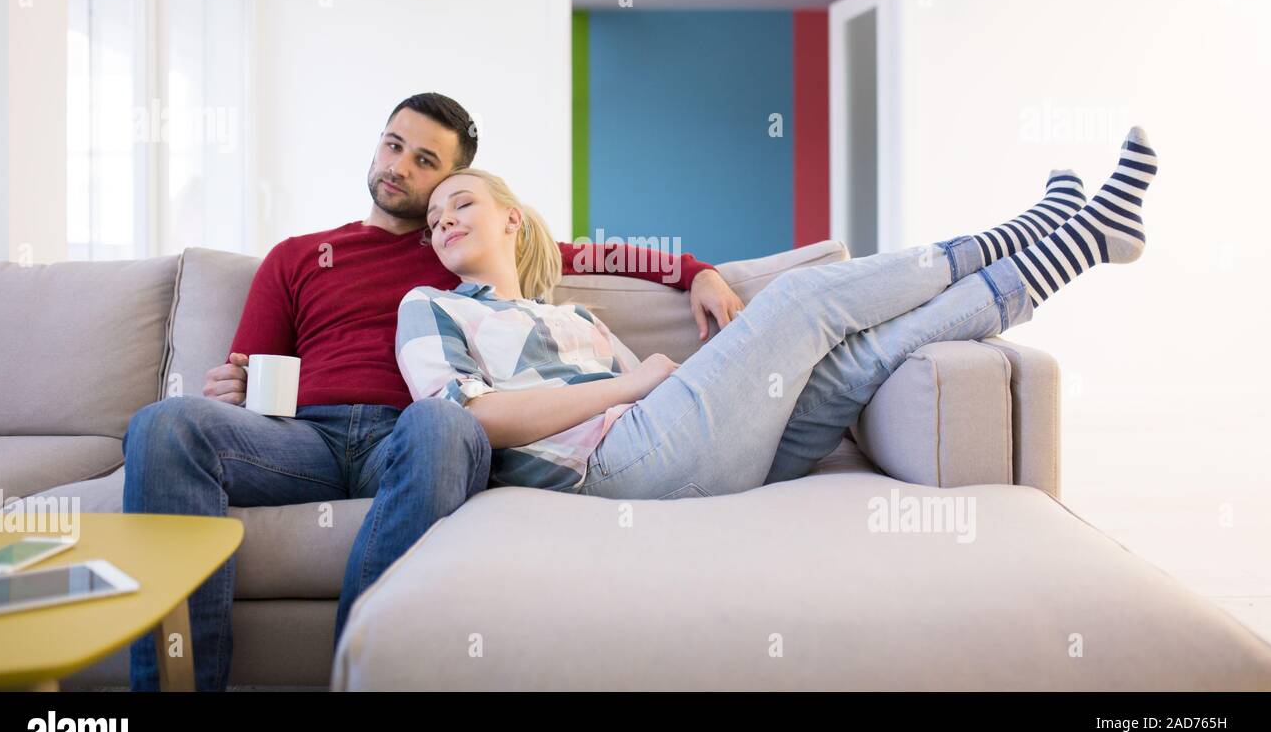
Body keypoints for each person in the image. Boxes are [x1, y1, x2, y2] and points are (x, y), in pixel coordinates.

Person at [121, 92, 744, 691]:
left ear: (452, 182)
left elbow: (607, 255)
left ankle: (360, 676)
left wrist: (698, 272)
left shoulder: (457, 246)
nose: (399, 167)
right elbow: (249, 370)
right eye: (393, 146)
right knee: (163, 424)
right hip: (301, 438)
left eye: (425, 162)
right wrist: (233, 386)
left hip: (413, 436)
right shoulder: (296, 255)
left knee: (443, 421)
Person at [396, 127, 1157, 499]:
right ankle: (1020, 231)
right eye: (432, 222)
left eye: (460, 202)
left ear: (513, 222)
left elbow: (642, 284)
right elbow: (474, 417)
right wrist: (630, 386)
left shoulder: (575, 318)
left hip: (690, 449)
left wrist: (696, 279)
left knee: (860, 361)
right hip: (613, 472)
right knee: (798, 300)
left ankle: (1081, 241)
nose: (443, 222)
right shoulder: (430, 307)